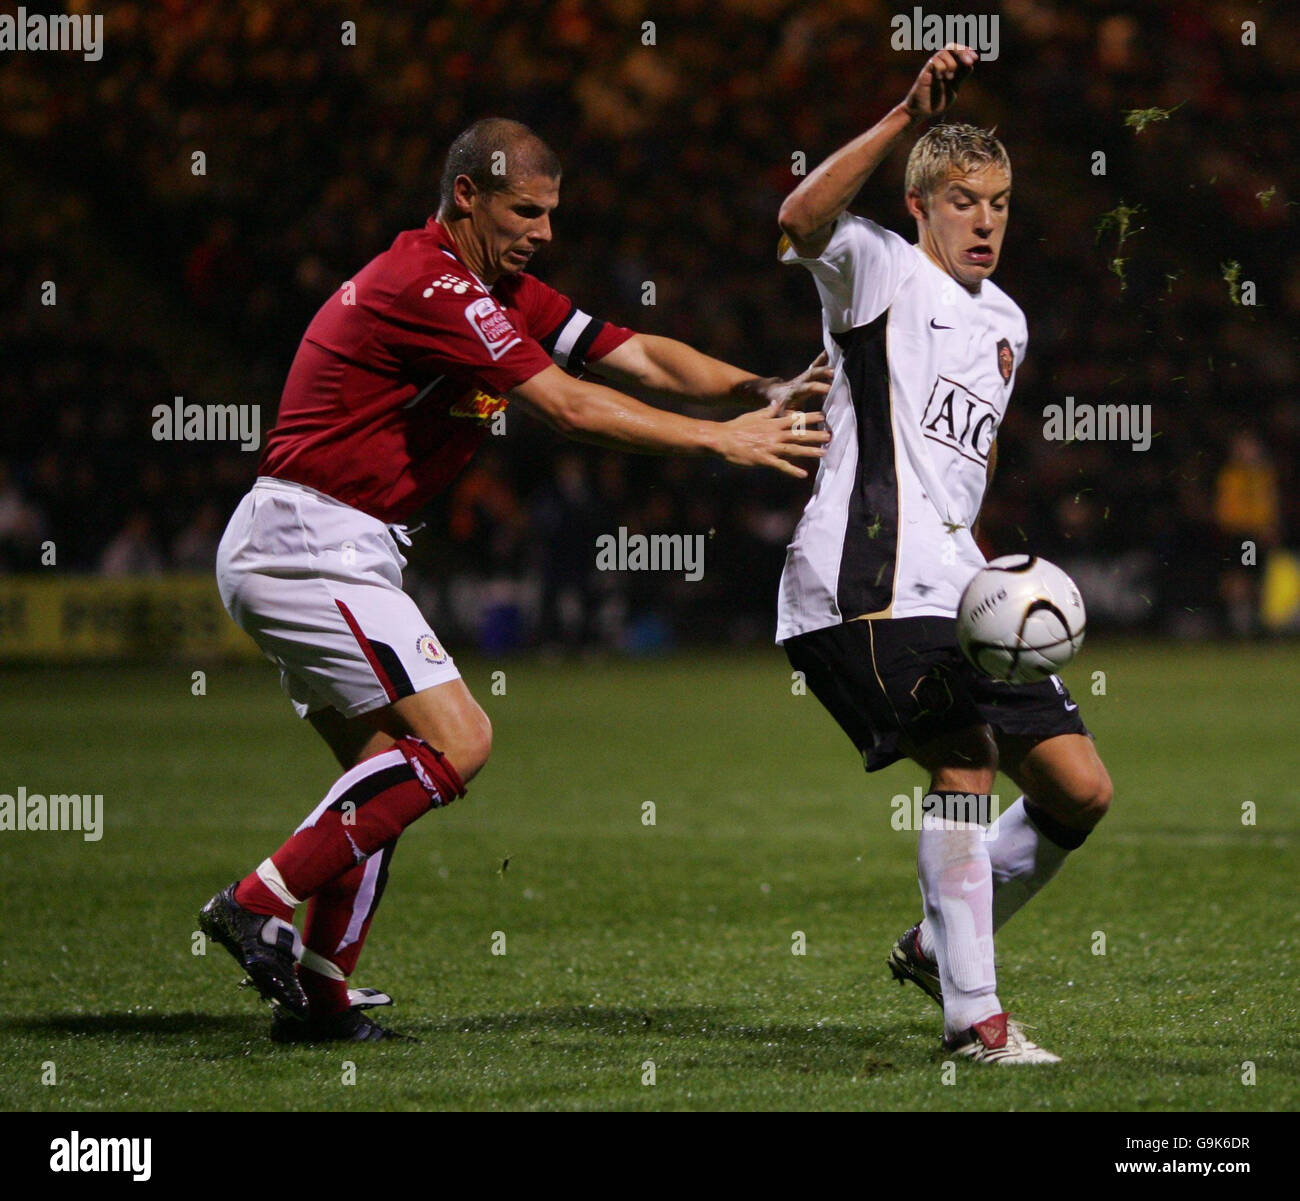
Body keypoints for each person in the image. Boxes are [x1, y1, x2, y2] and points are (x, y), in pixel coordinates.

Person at [199, 117, 830, 1042]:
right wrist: (718, 440)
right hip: (310, 537)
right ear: (467, 195)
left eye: (551, 213)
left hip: (324, 540)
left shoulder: (500, 291)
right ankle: (257, 900)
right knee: (460, 742)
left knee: (383, 773)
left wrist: (756, 390)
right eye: (525, 211)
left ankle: (322, 998)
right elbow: (570, 407)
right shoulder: (430, 281)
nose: (543, 231)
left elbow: (638, 353)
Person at [776, 46, 1113, 1064]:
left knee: (1078, 789)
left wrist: (989, 569)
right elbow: (796, 220)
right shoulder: (875, 265)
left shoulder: (1006, 322)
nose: (985, 221)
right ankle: (976, 1021)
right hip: (859, 585)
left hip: (953, 586)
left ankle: (937, 944)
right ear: (920, 205)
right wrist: (896, 115)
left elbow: (964, 460)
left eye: (1001, 203)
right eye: (964, 200)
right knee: (964, 758)